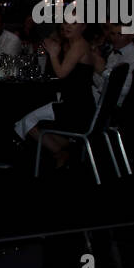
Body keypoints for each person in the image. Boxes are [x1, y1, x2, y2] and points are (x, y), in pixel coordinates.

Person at [14, 15, 96, 168]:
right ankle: (65, 152)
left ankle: (60, 153)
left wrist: (52, 53)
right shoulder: (74, 44)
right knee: (29, 120)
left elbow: (61, 73)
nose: (67, 26)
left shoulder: (79, 45)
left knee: (27, 122)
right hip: (78, 105)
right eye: (65, 22)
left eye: (74, 23)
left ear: (83, 26)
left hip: (77, 109)